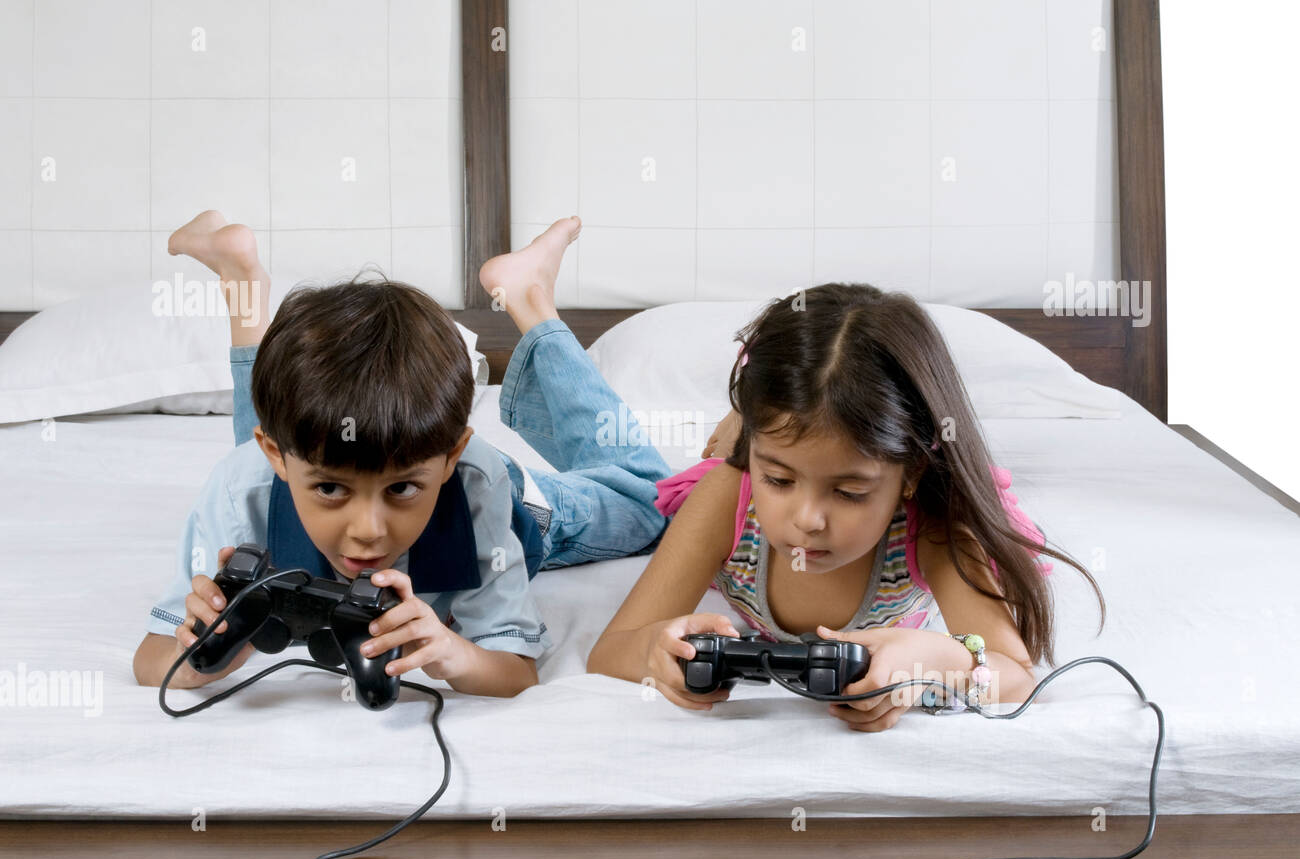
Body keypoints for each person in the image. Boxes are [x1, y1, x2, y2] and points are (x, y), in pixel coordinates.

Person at [134, 213, 672, 698]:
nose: (368, 531)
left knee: (654, 501)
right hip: (311, 462)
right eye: (330, 489)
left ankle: (528, 296)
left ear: (448, 457)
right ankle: (242, 283)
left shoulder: (475, 483)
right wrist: (199, 659)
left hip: (494, 495)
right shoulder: (241, 485)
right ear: (275, 455)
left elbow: (515, 671)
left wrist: (452, 653)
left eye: (400, 490)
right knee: (275, 458)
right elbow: (151, 660)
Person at [588, 282, 1105, 729]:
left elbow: (1014, 673)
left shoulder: (933, 528)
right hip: (719, 481)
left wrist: (939, 659)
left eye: (849, 492)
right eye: (780, 479)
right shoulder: (727, 497)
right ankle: (537, 311)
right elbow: (610, 651)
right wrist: (654, 650)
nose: (807, 520)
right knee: (615, 470)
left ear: (909, 477)